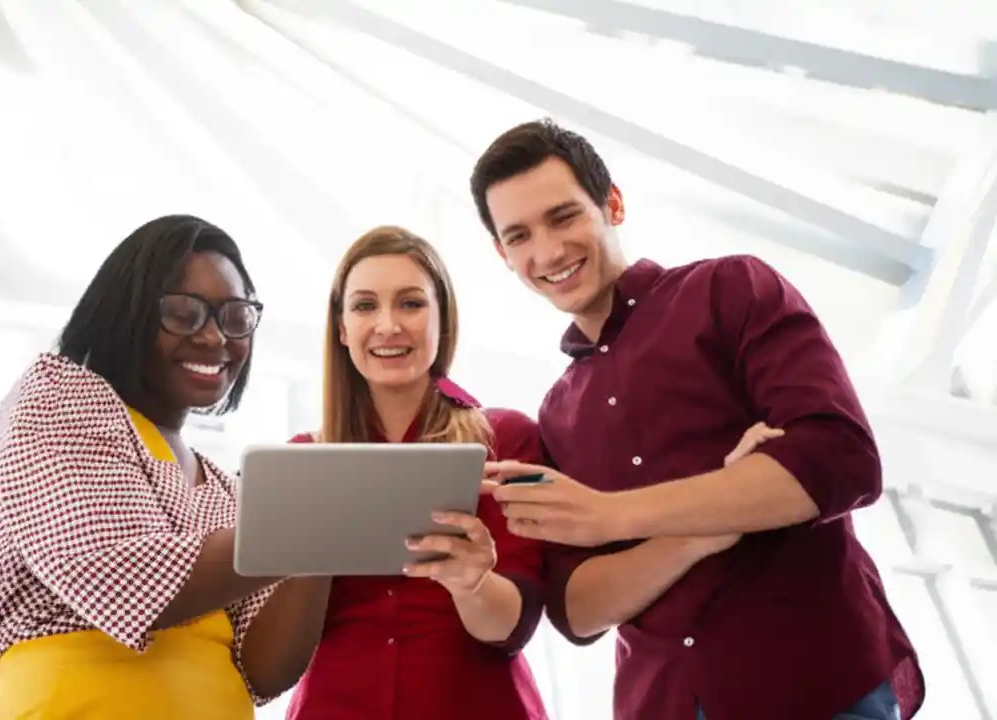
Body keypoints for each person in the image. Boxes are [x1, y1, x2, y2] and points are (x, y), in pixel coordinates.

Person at [470, 120, 924, 720]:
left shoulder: (729, 289)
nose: (548, 252)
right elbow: (578, 611)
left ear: (613, 203)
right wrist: (706, 527)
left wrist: (610, 515)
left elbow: (840, 460)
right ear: (503, 255)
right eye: (519, 235)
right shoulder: (556, 412)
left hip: (812, 686)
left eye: (563, 217)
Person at [0, 215, 331, 719]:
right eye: (184, 314)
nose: (213, 338)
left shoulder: (225, 490)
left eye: (236, 316)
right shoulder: (61, 399)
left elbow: (263, 669)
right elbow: (119, 572)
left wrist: (324, 546)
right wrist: (299, 529)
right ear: (126, 313)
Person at [284, 226, 548, 719]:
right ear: (341, 329)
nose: (387, 325)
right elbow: (280, 646)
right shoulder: (302, 462)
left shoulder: (507, 441)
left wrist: (473, 583)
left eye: (410, 303)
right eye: (364, 306)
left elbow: (514, 626)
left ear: (442, 320)